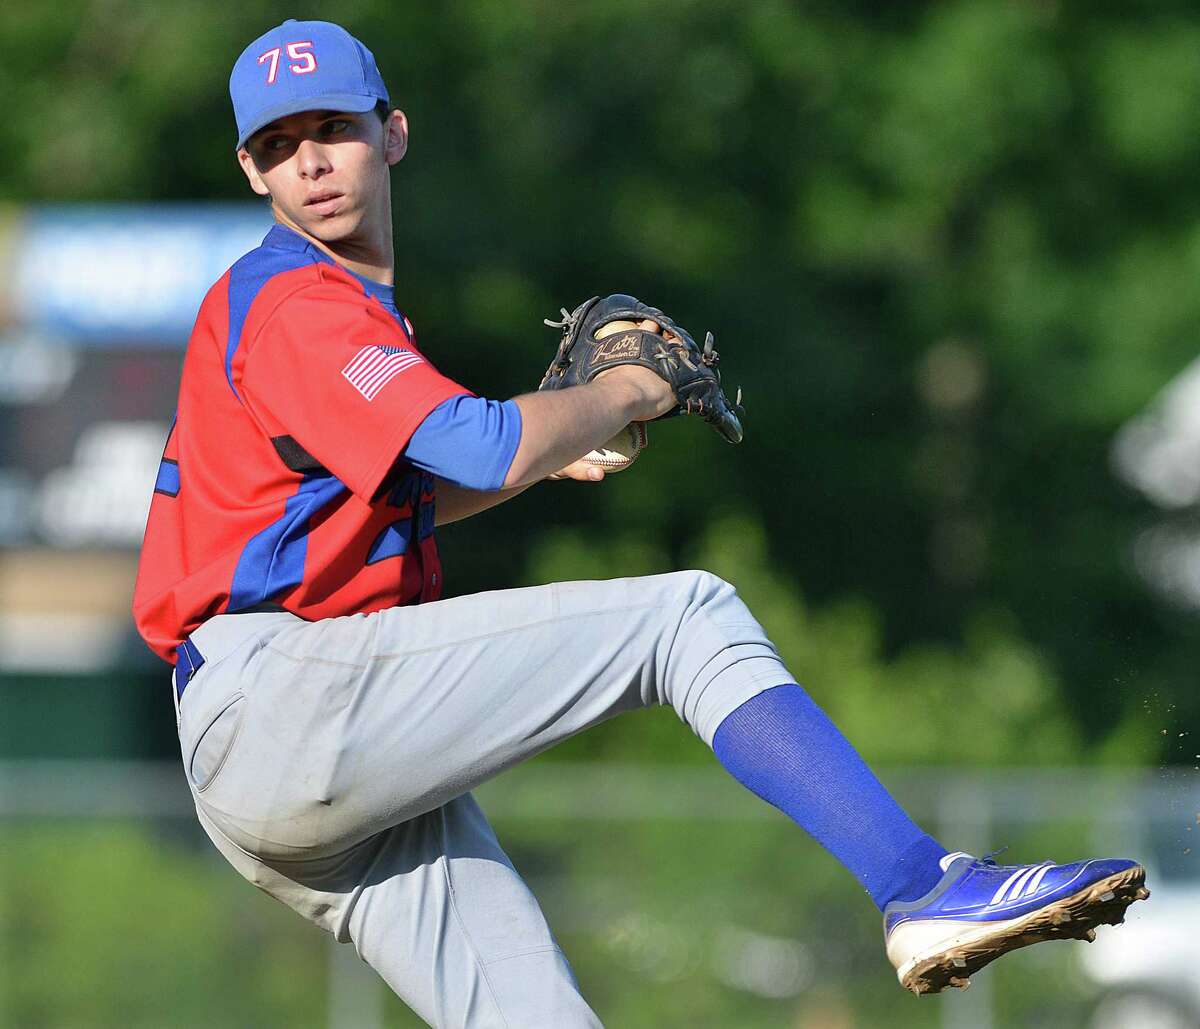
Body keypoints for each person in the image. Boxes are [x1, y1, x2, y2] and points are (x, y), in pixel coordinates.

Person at [132, 19, 1148, 1027]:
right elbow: (482, 444)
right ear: (251, 170)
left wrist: (553, 451)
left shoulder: (318, 306)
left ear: (392, 130)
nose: (308, 161)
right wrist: (620, 389)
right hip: (283, 701)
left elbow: (405, 501)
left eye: (332, 129)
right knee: (685, 619)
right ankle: (922, 886)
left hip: (293, 749)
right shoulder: (292, 302)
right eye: (277, 144)